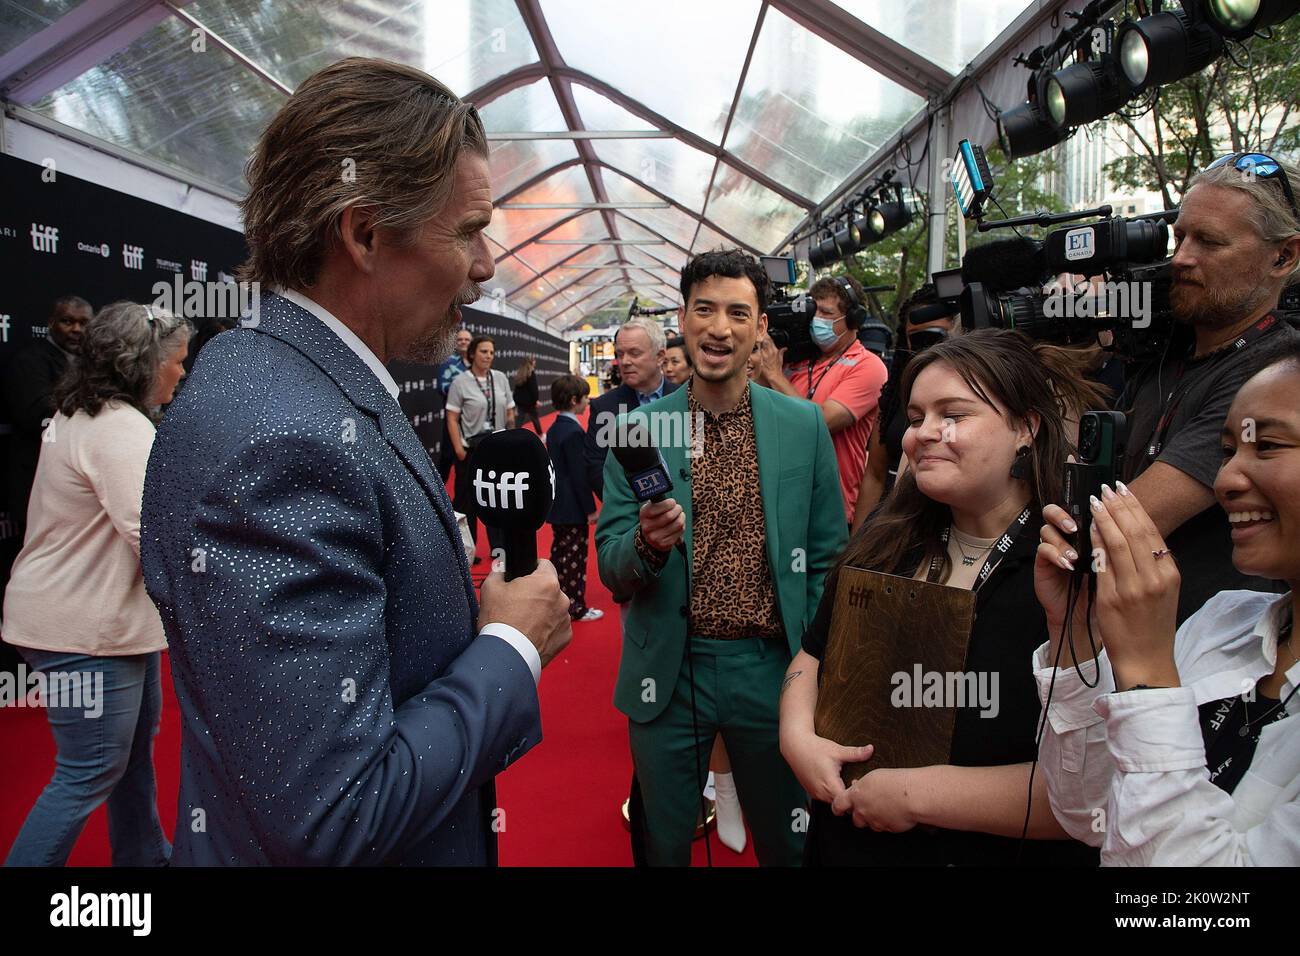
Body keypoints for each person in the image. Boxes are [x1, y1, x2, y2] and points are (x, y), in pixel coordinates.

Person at [139, 57, 572, 866]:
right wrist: (510, 648)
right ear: (366, 233)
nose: (485, 270)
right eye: (469, 231)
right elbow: (336, 814)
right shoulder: (282, 440)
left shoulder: (284, 382)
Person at [780, 329, 1104, 866]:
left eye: (952, 414)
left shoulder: (1070, 567)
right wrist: (797, 737)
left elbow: (1090, 794)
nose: (924, 434)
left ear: (1026, 428)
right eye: (914, 418)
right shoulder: (886, 540)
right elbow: (814, 654)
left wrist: (918, 796)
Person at [596, 248, 847, 866]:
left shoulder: (802, 426)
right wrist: (648, 545)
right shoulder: (639, 431)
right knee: (662, 844)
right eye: (704, 310)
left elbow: (825, 559)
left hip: (772, 668)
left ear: (761, 327)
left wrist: (806, 666)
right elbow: (610, 565)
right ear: (681, 320)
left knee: (789, 844)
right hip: (670, 672)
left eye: (739, 312)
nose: (719, 328)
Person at [1034, 340, 1300, 864]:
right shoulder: (1224, 621)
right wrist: (1079, 634)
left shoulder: (1170, 646)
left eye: (1266, 446)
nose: (1225, 481)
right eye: (1227, 452)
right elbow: (1090, 810)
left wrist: (1150, 675)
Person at [3, 301, 189, 867]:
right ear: (143, 363)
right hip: (82, 629)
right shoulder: (118, 427)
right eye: (176, 361)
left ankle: (145, 862)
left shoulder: (84, 414)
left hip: (94, 625)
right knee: (87, 773)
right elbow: (152, 535)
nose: (183, 372)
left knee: (127, 762)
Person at [1120, 152, 1300, 623]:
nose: (1181, 258)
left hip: (1213, 656)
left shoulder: (1274, 373)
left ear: (1282, 256)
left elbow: (1130, 522)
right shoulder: (1164, 352)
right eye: (1179, 236)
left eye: (1209, 242)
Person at [752, 274, 888, 527]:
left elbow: (823, 420)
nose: (816, 320)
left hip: (834, 511)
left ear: (852, 319)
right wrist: (763, 367)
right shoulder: (799, 361)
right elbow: (757, 405)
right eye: (814, 310)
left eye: (826, 312)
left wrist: (774, 375)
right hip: (785, 506)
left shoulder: (868, 366)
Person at [852, 284, 956, 531]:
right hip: (890, 527)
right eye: (916, 337)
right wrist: (855, 546)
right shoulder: (893, 395)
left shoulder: (980, 395)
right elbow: (875, 475)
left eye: (936, 334)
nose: (927, 346)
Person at [0, 295, 92, 549]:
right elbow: (37, 413)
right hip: (37, 484)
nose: (76, 330)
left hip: (74, 492)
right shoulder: (29, 360)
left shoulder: (90, 364)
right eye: (67, 321)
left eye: (83, 323)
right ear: (51, 323)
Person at [584, 317, 678, 499]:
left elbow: (698, 456)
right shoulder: (603, 406)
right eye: (620, 354)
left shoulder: (690, 400)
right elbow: (595, 466)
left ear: (659, 357)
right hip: (630, 516)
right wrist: (630, 505)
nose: (624, 361)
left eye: (634, 353)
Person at [446, 334, 516, 563]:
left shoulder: (500, 378)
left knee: (499, 498)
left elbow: (509, 412)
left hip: (497, 447)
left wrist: (511, 438)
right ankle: (469, 549)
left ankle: (500, 549)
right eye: (484, 351)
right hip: (471, 449)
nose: (488, 356)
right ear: (473, 353)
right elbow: (452, 417)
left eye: (491, 353)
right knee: (468, 502)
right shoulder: (460, 382)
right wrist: (459, 448)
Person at [546, 374, 601, 623]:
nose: (588, 402)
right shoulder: (573, 432)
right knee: (574, 558)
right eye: (585, 397)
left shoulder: (556, 427)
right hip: (573, 506)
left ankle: (558, 602)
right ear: (573, 400)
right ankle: (575, 607)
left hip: (558, 503)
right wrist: (590, 508)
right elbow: (579, 475)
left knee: (560, 554)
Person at [435, 327, 471, 481]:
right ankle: (437, 496)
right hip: (454, 420)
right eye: (460, 339)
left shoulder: (477, 362)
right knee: (448, 457)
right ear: (455, 343)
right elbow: (443, 387)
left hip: (472, 421)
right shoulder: (448, 362)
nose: (463, 342)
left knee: (469, 462)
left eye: (467, 339)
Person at [512, 355, 542, 434]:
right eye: (534, 360)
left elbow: (516, 390)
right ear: (531, 362)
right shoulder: (531, 373)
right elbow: (534, 390)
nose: (535, 362)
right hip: (530, 403)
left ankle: (514, 435)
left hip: (520, 402)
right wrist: (535, 401)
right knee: (535, 419)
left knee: (519, 421)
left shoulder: (520, 373)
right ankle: (541, 435)